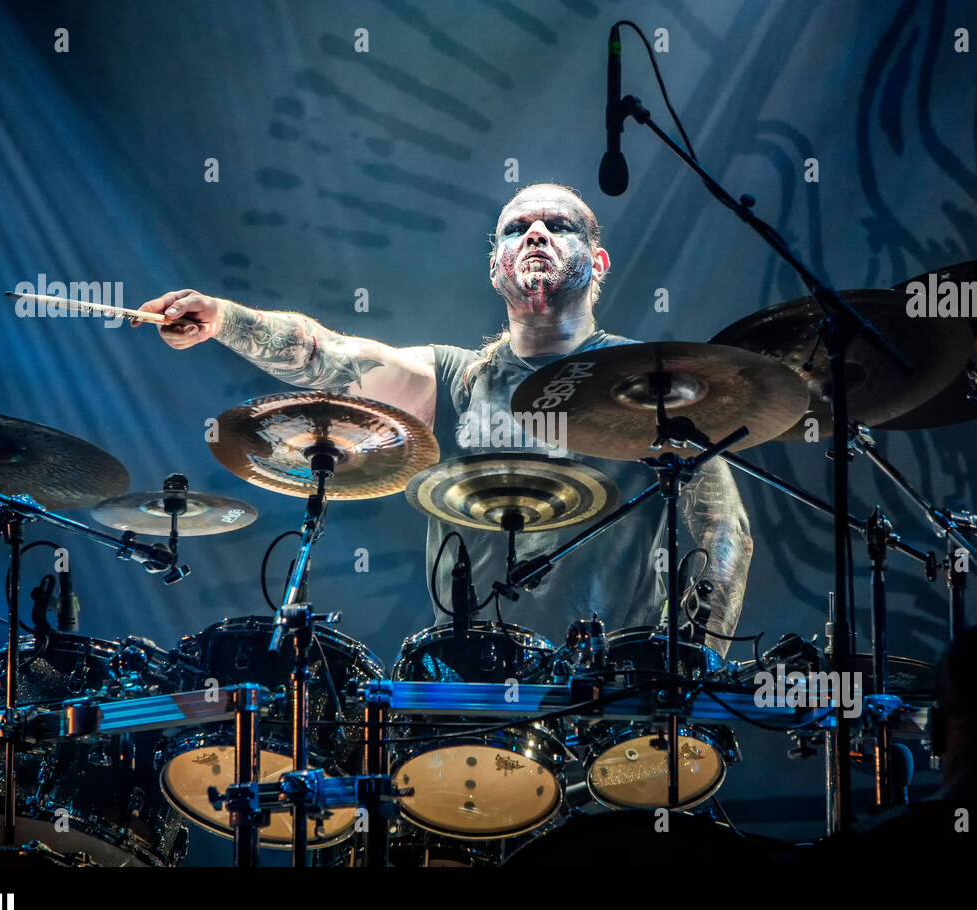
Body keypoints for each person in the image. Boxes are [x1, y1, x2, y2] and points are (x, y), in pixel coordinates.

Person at [136, 182, 752, 654]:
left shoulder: (648, 384)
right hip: (472, 684)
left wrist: (686, 672)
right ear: (494, 267)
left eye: (558, 225)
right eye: (516, 228)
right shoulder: (455, 379)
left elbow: (722, 534)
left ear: (597, 263)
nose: (535, 233)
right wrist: (222, 318)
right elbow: (328, 354)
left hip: (610, 688)